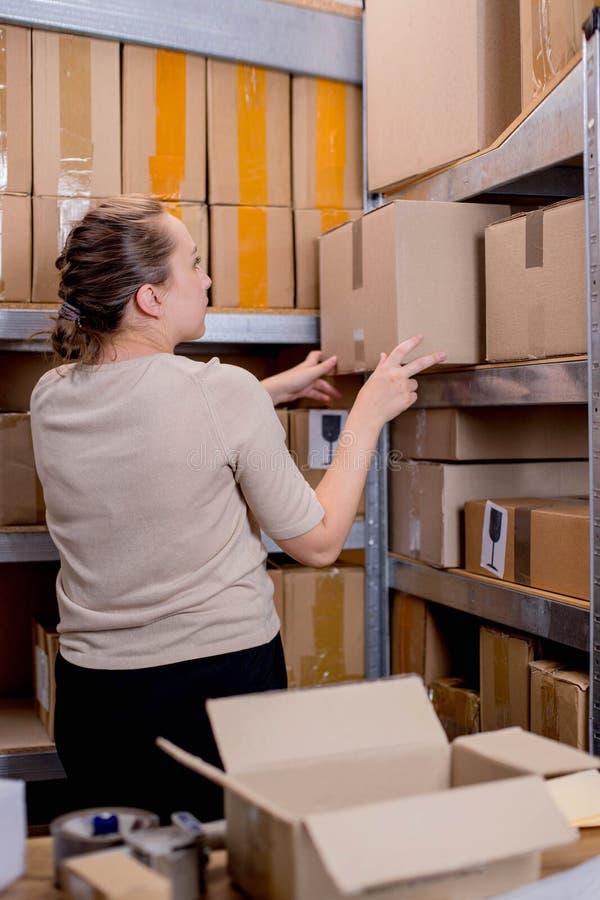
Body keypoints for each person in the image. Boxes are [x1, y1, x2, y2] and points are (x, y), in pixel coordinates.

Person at [30, 197, 445, 822]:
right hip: (213, 698)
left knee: (126, 876)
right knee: (225, 875)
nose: (207, 279)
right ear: (150, 298)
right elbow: (321, 541)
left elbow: (152, 429)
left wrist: (270, 392)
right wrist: (369, 412)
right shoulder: (221, 394)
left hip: (94, 705)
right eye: (194, 264)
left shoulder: (50, 396)